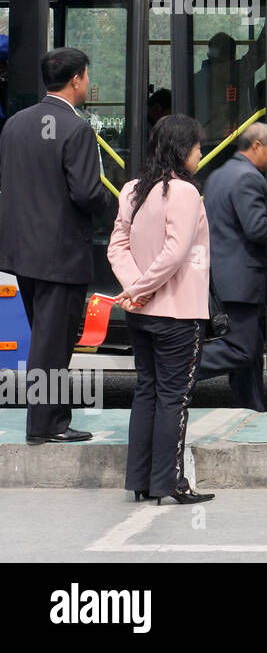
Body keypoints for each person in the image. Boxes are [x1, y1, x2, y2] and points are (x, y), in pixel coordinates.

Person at [0, 47, 113, 444]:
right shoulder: (77, 128)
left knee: (44, 339)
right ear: (78, 78)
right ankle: (47, 425)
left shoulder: (15, 123)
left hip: (22, 252)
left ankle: (49, 419)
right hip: (61, 254)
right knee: (53, 343)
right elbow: (86, 193)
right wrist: (112, 205)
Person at [107, 115, 216, 505]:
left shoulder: (133, 189)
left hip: (140, 314)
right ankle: (170, 483)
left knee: (147, 393)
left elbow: (116, 246)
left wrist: (133, 289)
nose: (200, 153)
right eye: (197, 147)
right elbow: (176, 253)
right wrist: (141, 288)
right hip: (178, 313)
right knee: (174, 398)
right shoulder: (184, 192)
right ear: (181, 150)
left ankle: (140, 480)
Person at [197, 121, 267, 411]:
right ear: (256, 145)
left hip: (223, 278)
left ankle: (252, 408)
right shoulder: (249, 178)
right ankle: (177, 371)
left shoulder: (219, 174)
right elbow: (257, 228)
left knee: (252, 349)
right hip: (240, 282)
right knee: (241, 350)